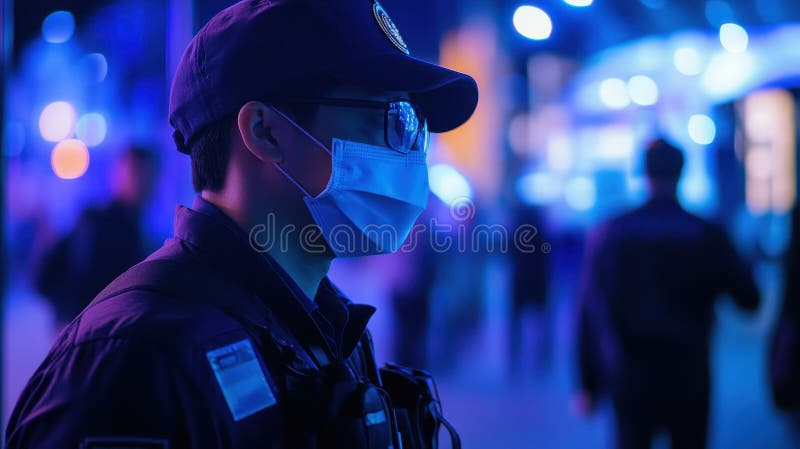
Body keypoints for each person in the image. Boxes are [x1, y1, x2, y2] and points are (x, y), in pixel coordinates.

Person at [5, 0, 478, 448]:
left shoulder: (326, 330)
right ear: (265, 131)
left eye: (415, 126)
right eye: (391, 118)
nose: (410, 153)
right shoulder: (135, 363)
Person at [574, 138, 760, 449]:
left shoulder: (613, 232)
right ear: (682, 173)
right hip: (690, 374)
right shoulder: (706, 233)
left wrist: (588, 384)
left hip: (631, 374)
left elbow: (588, 309)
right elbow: (749, 300)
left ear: (643, 175)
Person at [34, 147, 156, 329]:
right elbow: (49, 275)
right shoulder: (96, 222)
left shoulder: (142, 230)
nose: (141, 181)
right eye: (134, 172)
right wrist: (71, 320)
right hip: (95, 333)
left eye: (148, 174)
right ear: (117, 175)